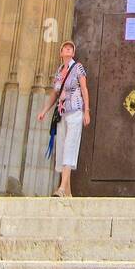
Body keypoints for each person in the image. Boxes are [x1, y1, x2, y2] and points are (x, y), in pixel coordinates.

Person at [37, 39, 90, 197]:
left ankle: (61, 189)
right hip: (62, 113)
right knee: (61, 147)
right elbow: (55, 93)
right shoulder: (59, 71)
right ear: (61, 53)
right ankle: (68, 194)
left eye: (70, 48)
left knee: (69, 146)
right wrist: (44, 111)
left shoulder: (78, 67)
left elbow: (84, 88)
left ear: (73, 53)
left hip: (75, 111)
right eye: (65, 48)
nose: (67, 50)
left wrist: (87, 110)